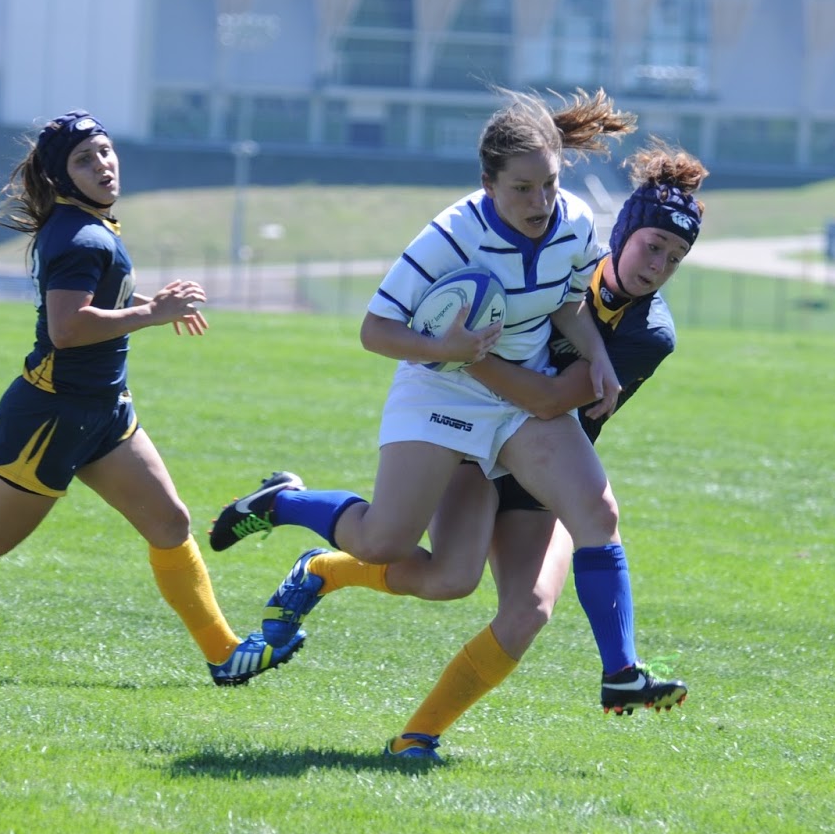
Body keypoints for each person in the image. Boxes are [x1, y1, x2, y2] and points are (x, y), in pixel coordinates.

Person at [210, 87, 669, 725]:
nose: (540, 204)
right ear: (488, 183)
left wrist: (595, 353)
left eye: (549, 185)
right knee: (382, 541)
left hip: (513, 398)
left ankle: (621, 674)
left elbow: (568, 300)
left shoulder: (572, 221)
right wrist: (443, 346)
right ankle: (282, 502)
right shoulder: (450, 237)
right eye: (522, 189)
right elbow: (375, 330)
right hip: (440, 387)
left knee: (591, 512)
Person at [0, 111, 299, 685]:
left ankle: (224, 653)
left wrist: (149, 304)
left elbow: (95, 307)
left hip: (104, 410)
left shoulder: (90, 225)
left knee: (170, 522)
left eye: (106, 151)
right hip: (52, 417)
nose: (103, 164)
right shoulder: (80, 235)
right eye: (85, 159)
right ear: (61, 176)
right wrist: (153, 313)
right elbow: (67, 328)